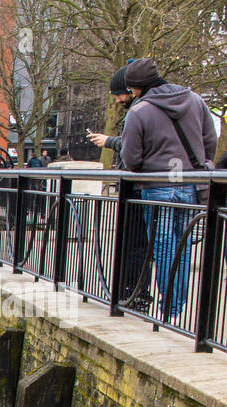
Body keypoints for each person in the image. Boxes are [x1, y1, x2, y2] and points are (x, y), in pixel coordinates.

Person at [120, 57, 218, 322]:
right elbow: (210, 140)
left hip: (157, 186)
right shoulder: (195, 101)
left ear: (135, 87)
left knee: (163, 247)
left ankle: (168, 310)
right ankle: (176, 309)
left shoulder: (139, 111)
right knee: (183, 247)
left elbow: (130, 158)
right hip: (189, 184)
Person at [86, 64, 153, 311]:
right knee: (136, 242)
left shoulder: (138, 110)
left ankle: (135, 294)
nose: (117, 99)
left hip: (136, 187)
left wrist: (108, 142)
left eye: (119, 94)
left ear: (131, 89)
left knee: (136, 243)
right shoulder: (142, 108)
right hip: (138, 185)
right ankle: (133, 292)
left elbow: (131, 148)